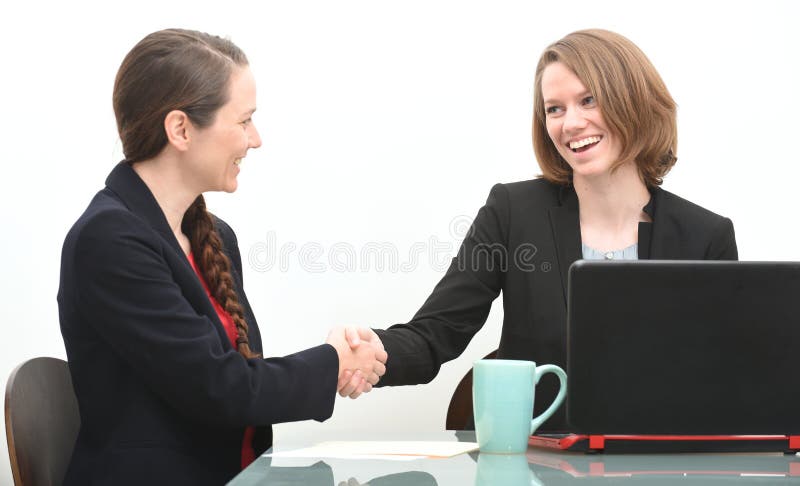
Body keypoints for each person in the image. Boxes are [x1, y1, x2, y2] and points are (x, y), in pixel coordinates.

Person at [346, 29, 738, 430]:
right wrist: (374, 351)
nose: (571, 123)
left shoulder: (706, 236)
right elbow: (438, 332)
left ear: (634, 103)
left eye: (589, 100)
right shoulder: (513, 212)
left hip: (657, 465)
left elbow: (724, 381)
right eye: (554, 109)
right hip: (537, 464)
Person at [57, 28, 386, 485]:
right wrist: (333, 364)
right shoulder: (110, 240)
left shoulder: (214, 237)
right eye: (244, 120)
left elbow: (234, 380)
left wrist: (335, 362)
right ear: (181, 129)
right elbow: (218, 387)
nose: (255, 140)